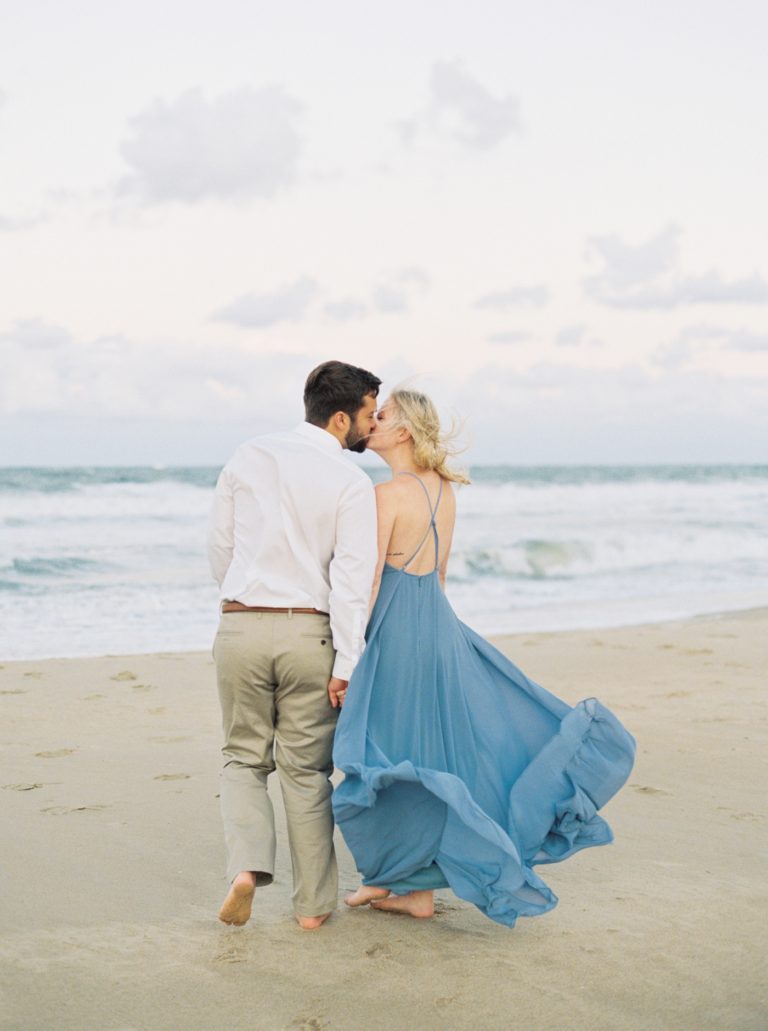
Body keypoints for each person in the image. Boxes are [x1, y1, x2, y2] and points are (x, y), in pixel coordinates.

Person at [332, 389, 636, 927]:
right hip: (437, 626)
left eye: (381, 417)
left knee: (385, 756)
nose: (370, 424)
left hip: (396, 630)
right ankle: (414, 890)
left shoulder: (386, 494)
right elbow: (441, 575)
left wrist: (350, 654)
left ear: (403, 432)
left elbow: (371, 579)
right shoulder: (445, 491)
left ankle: (393, 878)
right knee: (426, 755)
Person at [207, 360, 381, 930]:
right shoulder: (352, 483)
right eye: (367, 416)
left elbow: (221, 548)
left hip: (241, 626)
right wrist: (349, 662)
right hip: (310, 632)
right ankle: (311, 910)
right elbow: (352, 584)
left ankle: (246, 871)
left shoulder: (248, 454)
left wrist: (242, 601)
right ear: (339, 419)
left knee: (242, 758)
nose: (371, 428)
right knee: (306, 771)